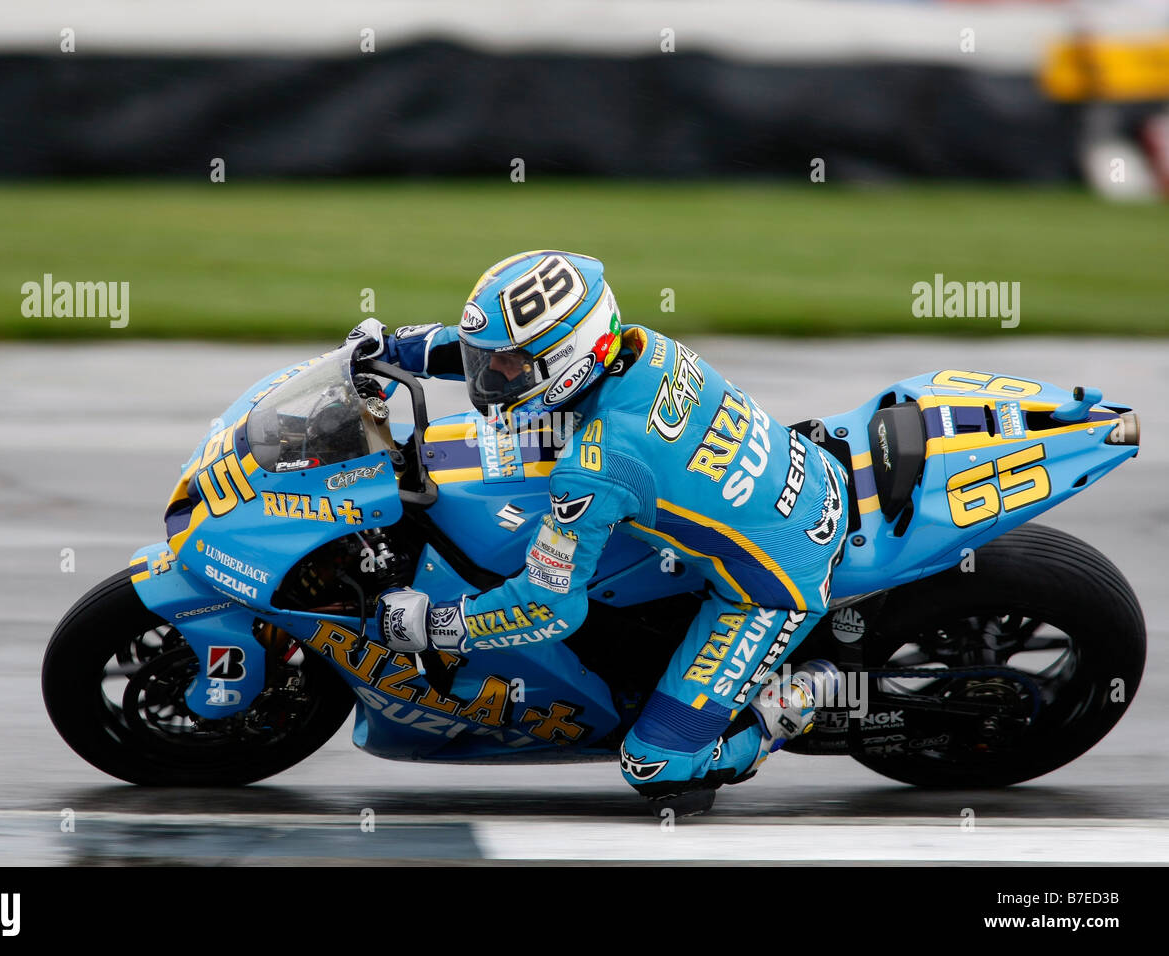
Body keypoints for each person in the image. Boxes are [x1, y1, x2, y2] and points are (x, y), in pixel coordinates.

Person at [346, 250, 847, 815]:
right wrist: (394, 350)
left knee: (659, 768)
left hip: (778, 574)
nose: (488, 379)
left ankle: (793, 703)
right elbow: (501, 358)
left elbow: (548, 609)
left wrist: (432, 624)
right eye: (484, 362)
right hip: (796, 471)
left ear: (568, 365)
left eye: (506, 367)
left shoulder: (598, 464)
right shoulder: (633, 345)